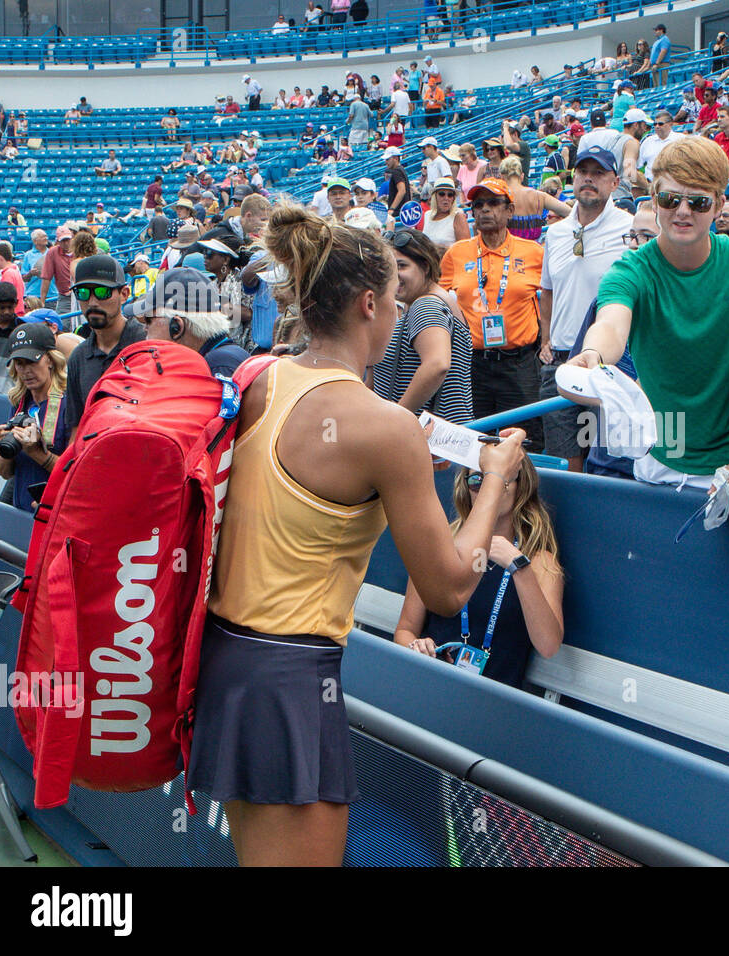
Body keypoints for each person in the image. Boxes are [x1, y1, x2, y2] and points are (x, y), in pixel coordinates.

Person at [189, 202, 526, 866]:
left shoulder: (260, 377)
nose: (401, 316)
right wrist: (496, 481)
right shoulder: (383, 426)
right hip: (290, 676)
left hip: (228, 663)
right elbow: (450, 586)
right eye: (397, 303)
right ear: (369, 304)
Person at [568, 137, 729, 492]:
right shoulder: (630, 269)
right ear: (654, 201)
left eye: (698, 202)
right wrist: (593, 355)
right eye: (669, 199)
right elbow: (611, 325)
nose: (682, 211)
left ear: (719, 205)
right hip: (662, 458)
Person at [394, 458, 563, 687]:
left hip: (494, 703)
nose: (487, 489)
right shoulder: (441, 548)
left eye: (500, 480)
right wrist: (416, 647)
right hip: (431, 685)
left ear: (520, 487)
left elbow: (549, 646)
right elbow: (405, 630)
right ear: (467, 490)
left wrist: (517, 566)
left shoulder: (539, 562)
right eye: (477, 481)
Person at [538, 146, 633, 470]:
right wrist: (545, 338)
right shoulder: (555, 232)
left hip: (610, 364)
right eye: (583, 172)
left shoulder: (630, 228)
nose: (589, 179)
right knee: (565, 460)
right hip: (562, 359)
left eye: (598, 173)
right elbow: (547, 291)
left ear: (614, 181)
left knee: (609, 460)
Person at [440, 178, 546, 446]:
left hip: (519, 365)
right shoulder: (457, 253)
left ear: (510, 211)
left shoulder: (534, 253)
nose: (485, 210)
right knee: (474, 444)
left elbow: (550, 300)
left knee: (524, 445)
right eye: (478, 205)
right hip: (471, 365)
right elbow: (438, 300)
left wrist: (548, 340)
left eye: (494, 203)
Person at [372, 228, 472, 423]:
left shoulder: (426, 304)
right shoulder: (427, 301)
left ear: (425, 267)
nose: (393, 276)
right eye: (388, 268)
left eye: (401, 266)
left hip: (431, 438)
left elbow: (437, 365)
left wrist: (396, 417)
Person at [59, 255, 147, 444]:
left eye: (102, 292)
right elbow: (77, 428)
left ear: (124, 294)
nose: (92, 302)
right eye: (83, 293)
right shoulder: (79, 357)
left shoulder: (147, 344)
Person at [0, 323, 68, 512]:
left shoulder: (68, 404)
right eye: (20, 363)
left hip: (53, 515)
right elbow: (4, 473)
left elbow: (74, 475)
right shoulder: (20, 403)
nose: (26, 371)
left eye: (32, 362)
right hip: (21, 510)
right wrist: (5, 447)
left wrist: (35, 451)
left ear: (50, 360)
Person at [127, 267, 251, 378]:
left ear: (176, 327)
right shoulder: (218, 358)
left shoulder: (218, 367)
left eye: (149, 321)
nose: (145, 329)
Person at [499, 155, 570, 241]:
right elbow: (570, 212)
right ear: (522, 176)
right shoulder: (539, 196)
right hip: (536, 252)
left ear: (501, 177)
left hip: (507, 252)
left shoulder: (498, 198)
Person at [420, 177, 469, 247]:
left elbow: (465, 249)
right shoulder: (427, 215)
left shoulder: (458, 217)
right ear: (435, 196)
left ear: (453, 198)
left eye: (450, 195)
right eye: (442, 194)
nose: (446, 198)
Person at [38, 225, 75, 314]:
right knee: (62, 323)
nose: (66, 243)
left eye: (68, 240)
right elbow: (47, 277)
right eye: (63, 241)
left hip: (80, 294)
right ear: (58, 241)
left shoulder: (79, 250)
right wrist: (42, 300)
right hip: (65, 296)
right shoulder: (52, 253)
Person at [384, 146, 412, 217]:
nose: (386, 162)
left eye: (388, 159)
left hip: (398, 212)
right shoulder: (401, 170)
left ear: (396, 158)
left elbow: (402, 191)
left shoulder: (397, 171)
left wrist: (392, 209)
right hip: (404, 211)